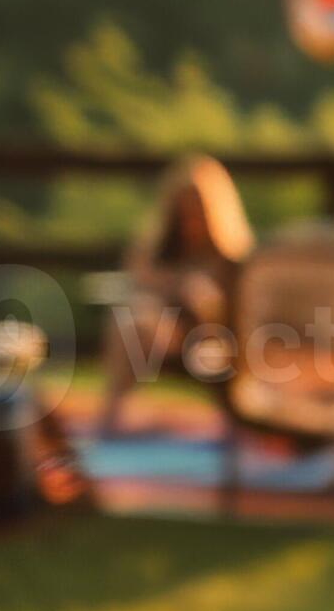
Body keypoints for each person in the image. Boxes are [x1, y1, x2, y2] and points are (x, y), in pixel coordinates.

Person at [100, 153, 256, 436]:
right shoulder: (155, 252)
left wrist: (208, 303)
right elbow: (139, 283)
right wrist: (178, 287)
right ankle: (111, 421)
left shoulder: (235, 260)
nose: (191, 221)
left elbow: (244, 313)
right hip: (165, 334)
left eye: (198, 212)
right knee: (132, 320)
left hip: (218, 338)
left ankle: (239, 426)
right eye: (184, 212)